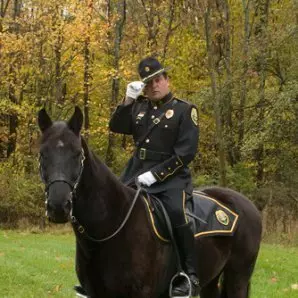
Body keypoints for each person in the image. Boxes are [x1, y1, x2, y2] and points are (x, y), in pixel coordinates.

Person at [109, 57, 200, 297]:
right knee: (110, 209)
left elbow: (185, 153)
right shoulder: (139, 107)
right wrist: (128, 99)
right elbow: (116, 126)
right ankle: (107, 269)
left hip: (171, 177)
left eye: (158, 80)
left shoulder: (185, 110)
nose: (154, 86)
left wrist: (156, 175)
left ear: (167, 80)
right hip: (136, 172)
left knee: (177, 214)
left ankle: (188, 276)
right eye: (148, 83)